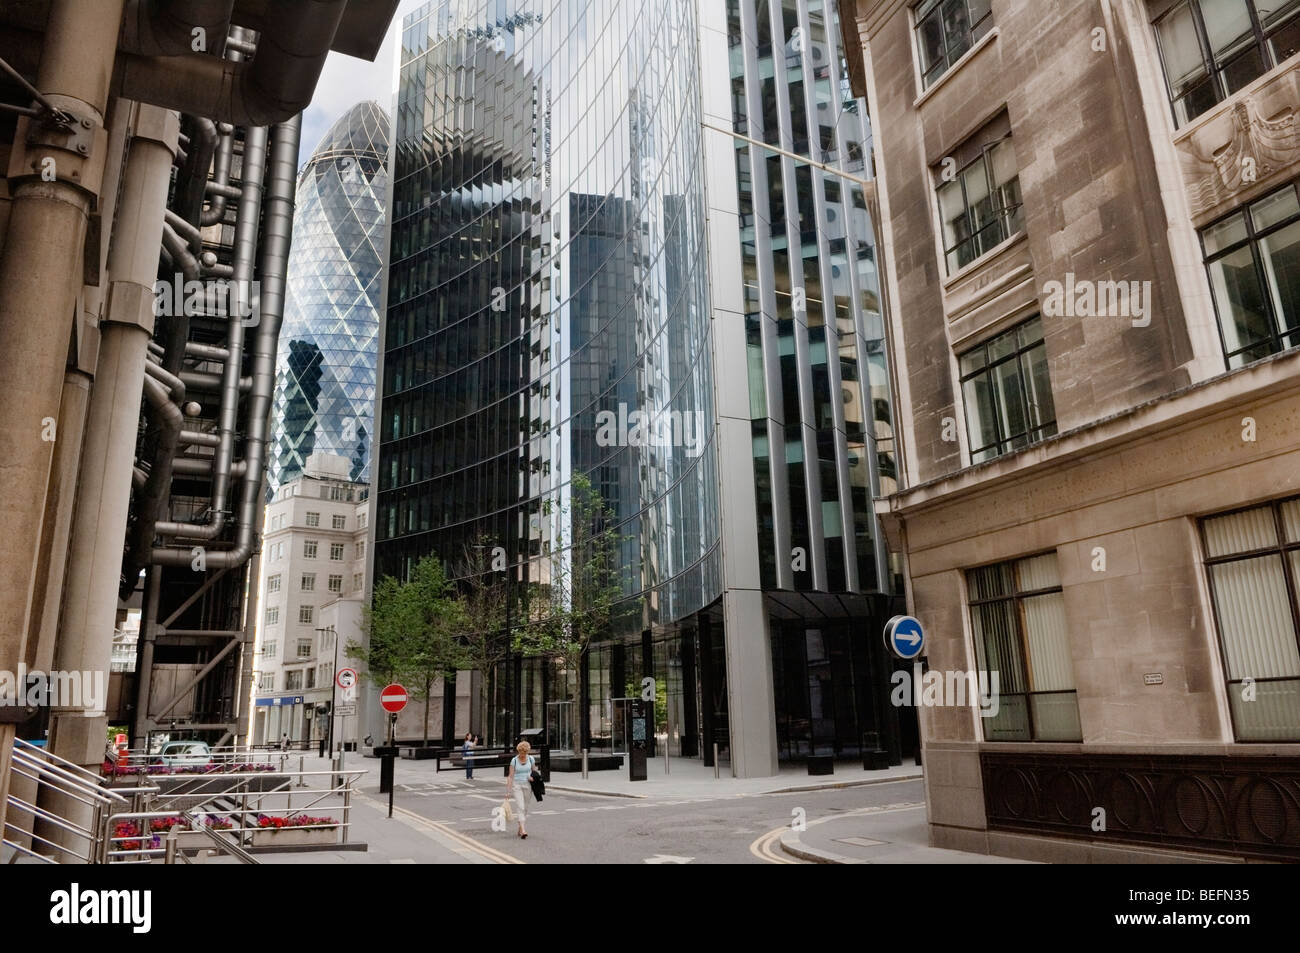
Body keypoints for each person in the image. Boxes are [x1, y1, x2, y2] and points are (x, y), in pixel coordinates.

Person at [504, 740, 536, 839]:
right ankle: (523, 829)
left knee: (525, 807)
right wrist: (508, 791)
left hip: (528, 785)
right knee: (520, 806)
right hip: (517, 785)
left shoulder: (531, 759)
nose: (523, 755)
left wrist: (532, 777)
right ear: (518, 751)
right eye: (521, 753)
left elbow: (534, 772)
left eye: (525, 753)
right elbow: (510, 776)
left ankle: (520, 827)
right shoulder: (514, 760)